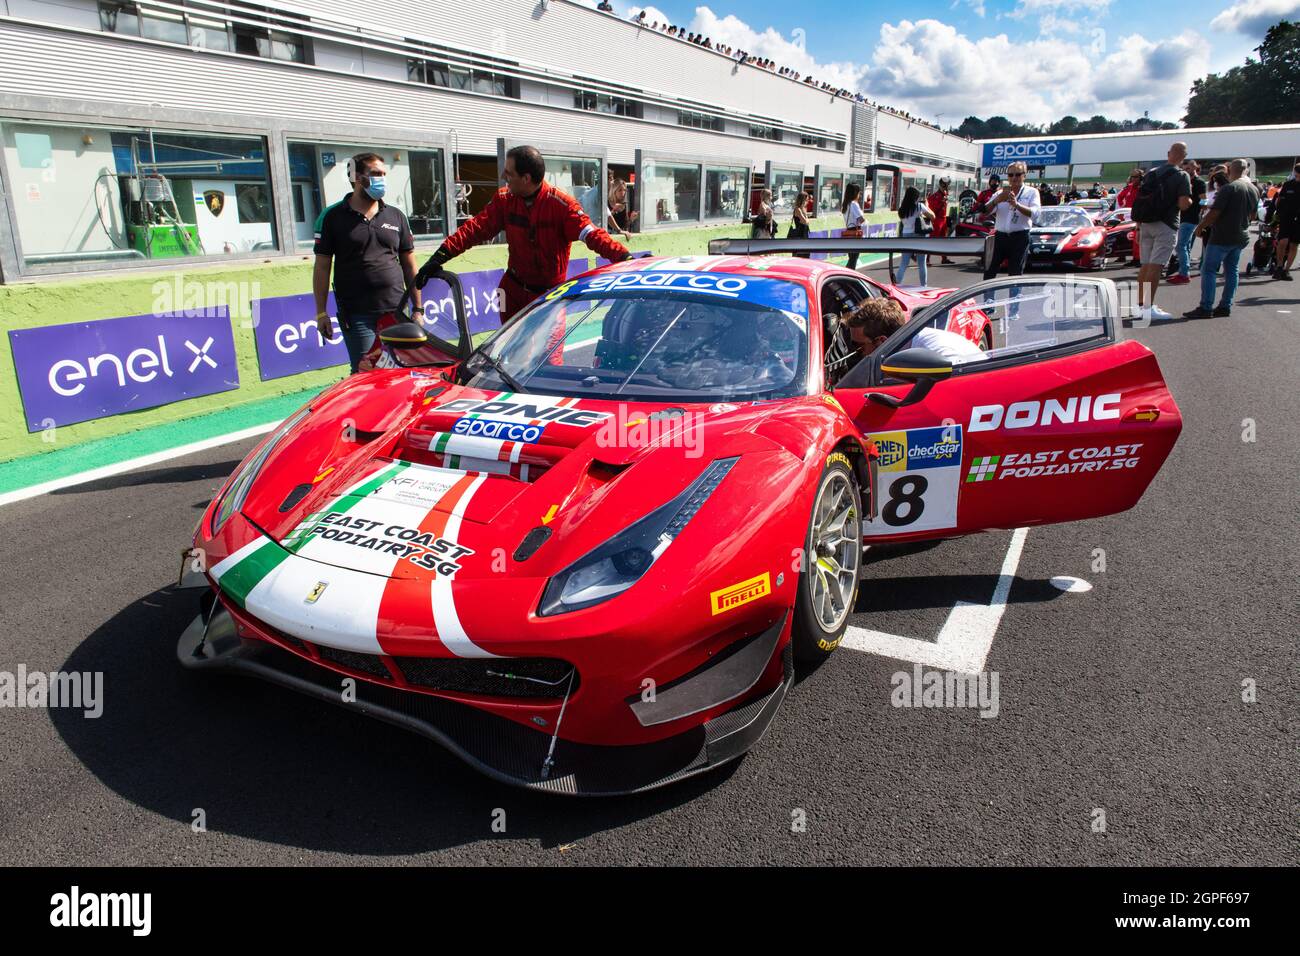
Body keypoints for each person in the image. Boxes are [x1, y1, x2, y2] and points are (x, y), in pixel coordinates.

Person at [424, 145, 629, 323]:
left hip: (549, 296)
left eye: (509, 173)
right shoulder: (504, 201)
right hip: (511, 290)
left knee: (548, 360)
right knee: (506, 353)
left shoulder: (562, 206)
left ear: (526, 178)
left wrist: (625, 258)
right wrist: (440, 255)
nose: (504, 178)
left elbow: (594, 235)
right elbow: (474, 230)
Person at [313, 152, 419, 373]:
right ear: (357, 178)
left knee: (402, 369)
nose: (382, 179)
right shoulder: (332, 217)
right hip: (357, 314)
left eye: (383, 174)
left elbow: (409, 264)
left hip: (396, 309)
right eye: (375, 173)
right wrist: (321, 312)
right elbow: (322, 266)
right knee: (366, 372)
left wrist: (418, 308)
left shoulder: (396, 216)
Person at [833, 298, 982, 387]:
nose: (857, 352)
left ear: (881, 341)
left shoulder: (936, 352)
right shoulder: (908, 343)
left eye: (859, 346)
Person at [1184, 159, 1257, 319]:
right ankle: (1225, 305)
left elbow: (1214, 211)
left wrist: (1201, 226)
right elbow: (1253, 215)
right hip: (1240, 235)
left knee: (1209, 270)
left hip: (1222, 235)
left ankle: (1206, 307)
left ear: (1229, 170)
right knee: (1232, 270)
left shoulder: (1227, 188)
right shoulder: (1253, 188)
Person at [1131, 141, 1192, 321]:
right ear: (1184, 157)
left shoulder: (1152, 173)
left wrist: (1139, 226)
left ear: (1168, 153)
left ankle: (1140, 305)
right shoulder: (1182, 176)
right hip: (1166, 223)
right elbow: (1183, 203)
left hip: (1146, 222)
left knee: (1145, 265)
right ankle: (1149, 307)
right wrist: (1190, 202)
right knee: (1156, 266)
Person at [982, 161, 1040, 280]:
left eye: (1018, 174)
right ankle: (988, 299)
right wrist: (996, 201)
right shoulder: (999, 193)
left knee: (1015, 275)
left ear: (1024, 175)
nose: (1014, 178)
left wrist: (1017, 205)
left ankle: (1014, 298)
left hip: (1019, 237)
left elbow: (1035, 214)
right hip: (1000, 237)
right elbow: (984, 212)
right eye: (1010, 175)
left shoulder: (1032, 192)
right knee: (989, 273)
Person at [1170, 159, 1206, 284]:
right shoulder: (1184, 181)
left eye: (1189, 168)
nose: (1186, 170)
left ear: (1195, 168)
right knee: (1185, 246)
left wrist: (1200, 211)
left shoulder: (1199, 182)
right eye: (1185, 169)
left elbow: (1204, 200)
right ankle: (1184, 271)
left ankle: (1184, 273)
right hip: (1182, 217)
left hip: (1191, 218)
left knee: (1181, 245)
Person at [896, 186, 935, 286]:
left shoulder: (901, 209)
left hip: (906, 235)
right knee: (922, 263)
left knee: (903, 263)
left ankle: (896, 285)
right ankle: (923, 286)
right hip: (919, 236)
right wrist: (927, 205)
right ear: (915, 197)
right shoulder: (919, 206)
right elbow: (932, 216)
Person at [1271, 162, 1299, 280]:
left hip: (1299, 220)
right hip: (1286, 217)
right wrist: (1278, 215)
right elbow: (1279, 201)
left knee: (1294, 244)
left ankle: (1286, 270)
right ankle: (1279, 267)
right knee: (1283, 241)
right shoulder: (1288, 185)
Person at [927, 179, 953, 262]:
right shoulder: (934, 196)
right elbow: (932, 210)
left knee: (944, 240)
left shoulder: (945, 194)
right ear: (941, 185)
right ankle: (927, 259)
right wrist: (942, 202)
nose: (947, 187)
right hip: (937, 220)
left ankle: (944, 258)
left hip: (944, 219)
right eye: (945, 185)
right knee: (932, 240)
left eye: (947, 185)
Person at [841, 182, 865, 270]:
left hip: (848, 232)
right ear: (855, 193)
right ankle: (846, 277)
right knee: (854, 258)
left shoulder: (846, 204)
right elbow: (861, 220)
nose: (859, 195)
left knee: (852, 258)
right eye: (859, 192)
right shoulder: (854, 204)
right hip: (855, 232)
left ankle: (845, 276)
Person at [788, 190, 811, 256]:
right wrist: (806, 219)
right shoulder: (797, 209)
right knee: (799, 254)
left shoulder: (803, 209)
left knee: (806, 254)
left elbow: (807, 222)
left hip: (804, 234)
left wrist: (806, 220)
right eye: (806, 200)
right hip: (799, 234)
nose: (807, 202)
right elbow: (805, 221)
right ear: (802, 200)